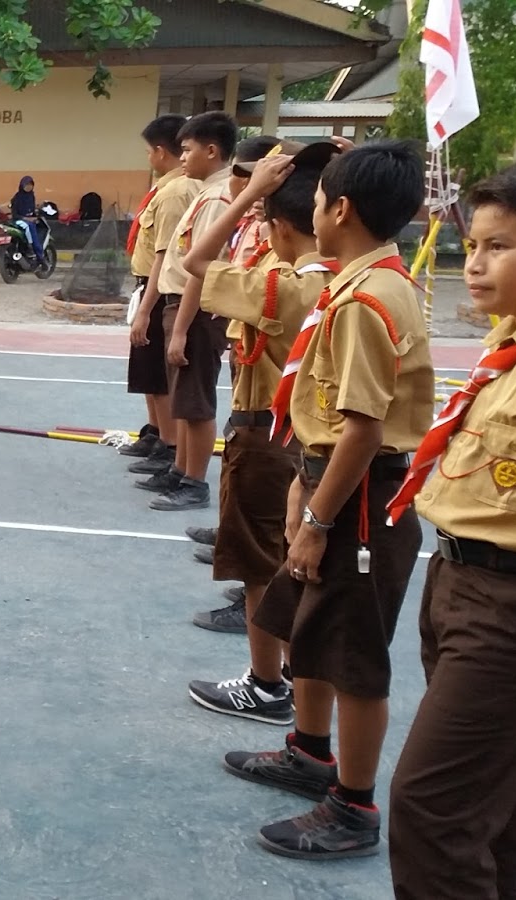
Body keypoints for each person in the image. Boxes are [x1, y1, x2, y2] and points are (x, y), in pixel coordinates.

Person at [226, 141, 431, 860]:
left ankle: (353, 803)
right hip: (329, 478)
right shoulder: (359, 284)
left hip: (360, 496)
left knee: (354, 655)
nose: (310, 209)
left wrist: (317, 519)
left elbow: (365, 429)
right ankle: (310, 752)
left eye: (317, 199)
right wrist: (301, 486)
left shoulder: (368, 300)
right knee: (310, 628)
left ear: (339, 210)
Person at [387, 161, 516, 898]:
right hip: (458, 579)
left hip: (508, 607)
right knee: (497, 810)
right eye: (472, 246)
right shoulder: (510, 339)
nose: (473, 264)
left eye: (499, 247)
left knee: (432, 808)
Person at [180, 143, 341, 722]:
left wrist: (247, 194)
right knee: (290, 565)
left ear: (280, 227)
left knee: (259, 565)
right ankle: (292, 683)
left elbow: (197, 260)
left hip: (267, 437)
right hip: (308, 439)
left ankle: (267, 682)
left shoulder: (284, 284)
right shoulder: (344, 277)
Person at [146, 111, 239, 511]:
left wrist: (181, 329)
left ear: (212, 151)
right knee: (184, 400)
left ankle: (194, 482)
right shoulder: (205, 193)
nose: (182, 157)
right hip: (182, 305)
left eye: (187, 150)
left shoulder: (217, 199)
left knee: (196, 401)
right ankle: (181, 470)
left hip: (195, 310)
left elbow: (201, 270)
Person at [122, 115, 199, 470]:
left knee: (158, 372)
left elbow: (163, 255)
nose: (147, 157)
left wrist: (144, 309)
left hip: (159, 289)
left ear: (159, 151)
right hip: (148, 285)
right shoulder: (165, 188)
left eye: (148, 151)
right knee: (147, 371)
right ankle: (156, 432)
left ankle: (168, 446)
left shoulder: (175, 193)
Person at [10, 174, 39, 254]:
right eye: (26, 184)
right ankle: (30, 246)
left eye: (30, 185)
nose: (28, 187)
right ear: (22, 185)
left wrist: (35, 216)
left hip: (29, 219)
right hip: (18, 220)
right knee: (27, 226)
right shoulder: (17, 197)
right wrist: (26, 218)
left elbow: (32, 210)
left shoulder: (31, 196)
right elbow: (15, 214)